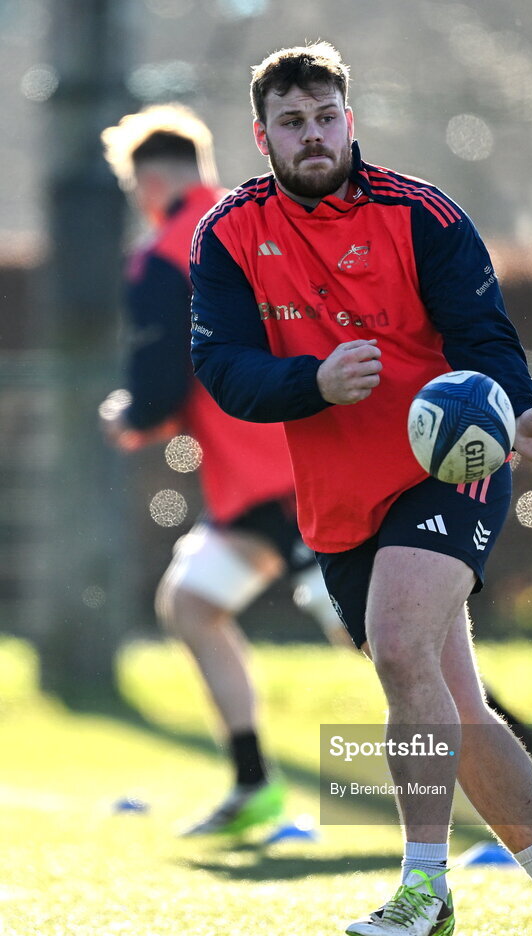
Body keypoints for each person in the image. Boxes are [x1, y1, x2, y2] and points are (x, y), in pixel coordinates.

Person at [189, 42, 532, 936]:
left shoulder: (421, 214)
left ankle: (423, 883)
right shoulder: (228, 233)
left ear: (352, 119)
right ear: (261, 133)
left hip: (453, 465)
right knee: (457, 709)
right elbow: (222, 368)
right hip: (342, 501)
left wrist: (513, 423)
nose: (313, 135)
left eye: (326, 117)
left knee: (397, 645)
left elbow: (489, 343)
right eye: (292, 122)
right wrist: (314, 379)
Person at [99, 104, 349, 836]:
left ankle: (521, 747)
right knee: (191, 603)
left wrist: (133, 417)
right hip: (301, 459)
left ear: (147, 179)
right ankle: (253, 784)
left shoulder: (163, 252)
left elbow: (159, 381)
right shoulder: (267, 217)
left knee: (381, 634)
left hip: (276, 474)